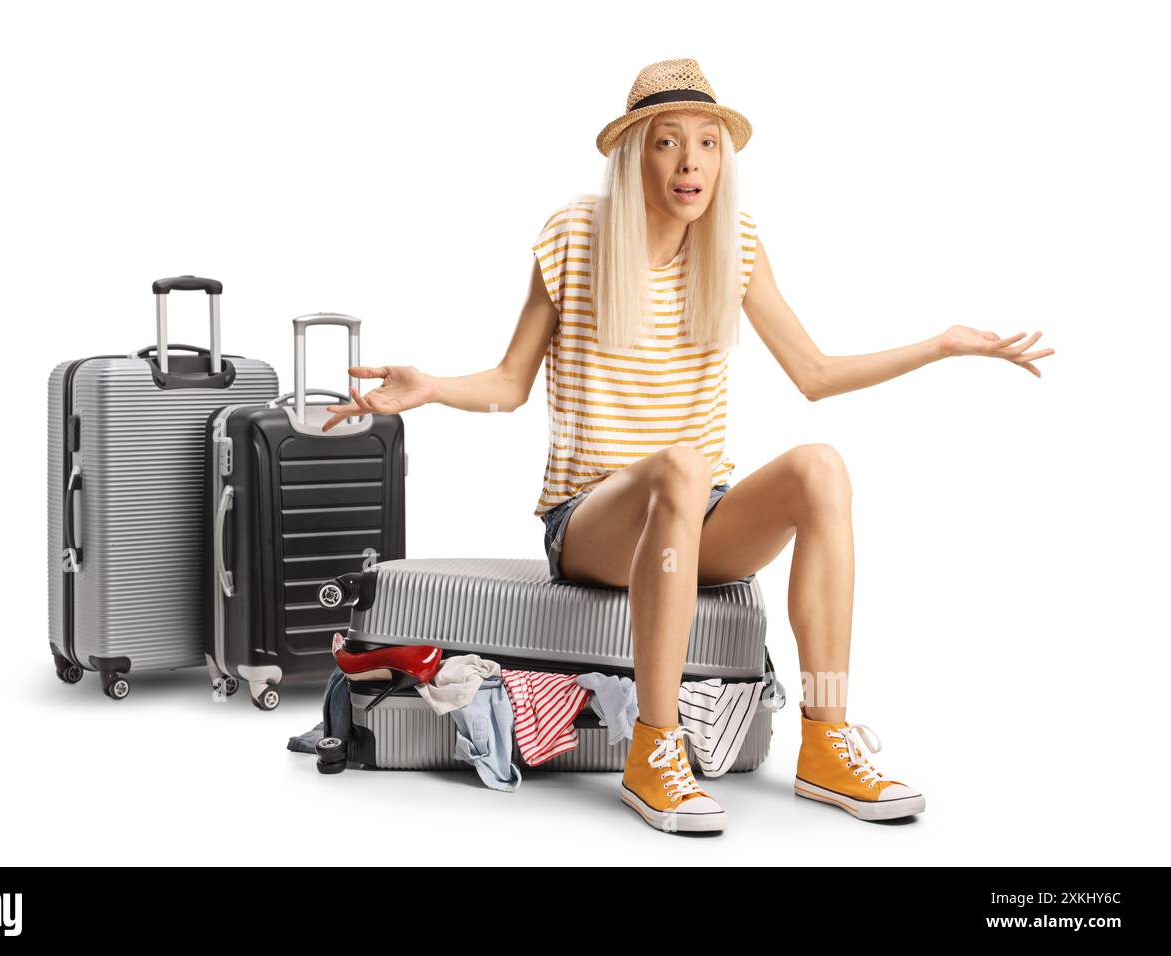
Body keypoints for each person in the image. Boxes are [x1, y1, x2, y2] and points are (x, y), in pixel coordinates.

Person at [320, 58, 1054, 835]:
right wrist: (432, 385)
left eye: (707, 144)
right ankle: (655, 749)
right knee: (681, 462)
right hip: (592, 522)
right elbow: (509, 383)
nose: (691, 161)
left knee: (820, 468)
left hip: (696, 514)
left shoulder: (733, 244)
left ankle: (827, 740)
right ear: (637, 152)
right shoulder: (574, 234)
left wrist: (939, 345)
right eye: (669, 142)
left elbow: (813, 372)